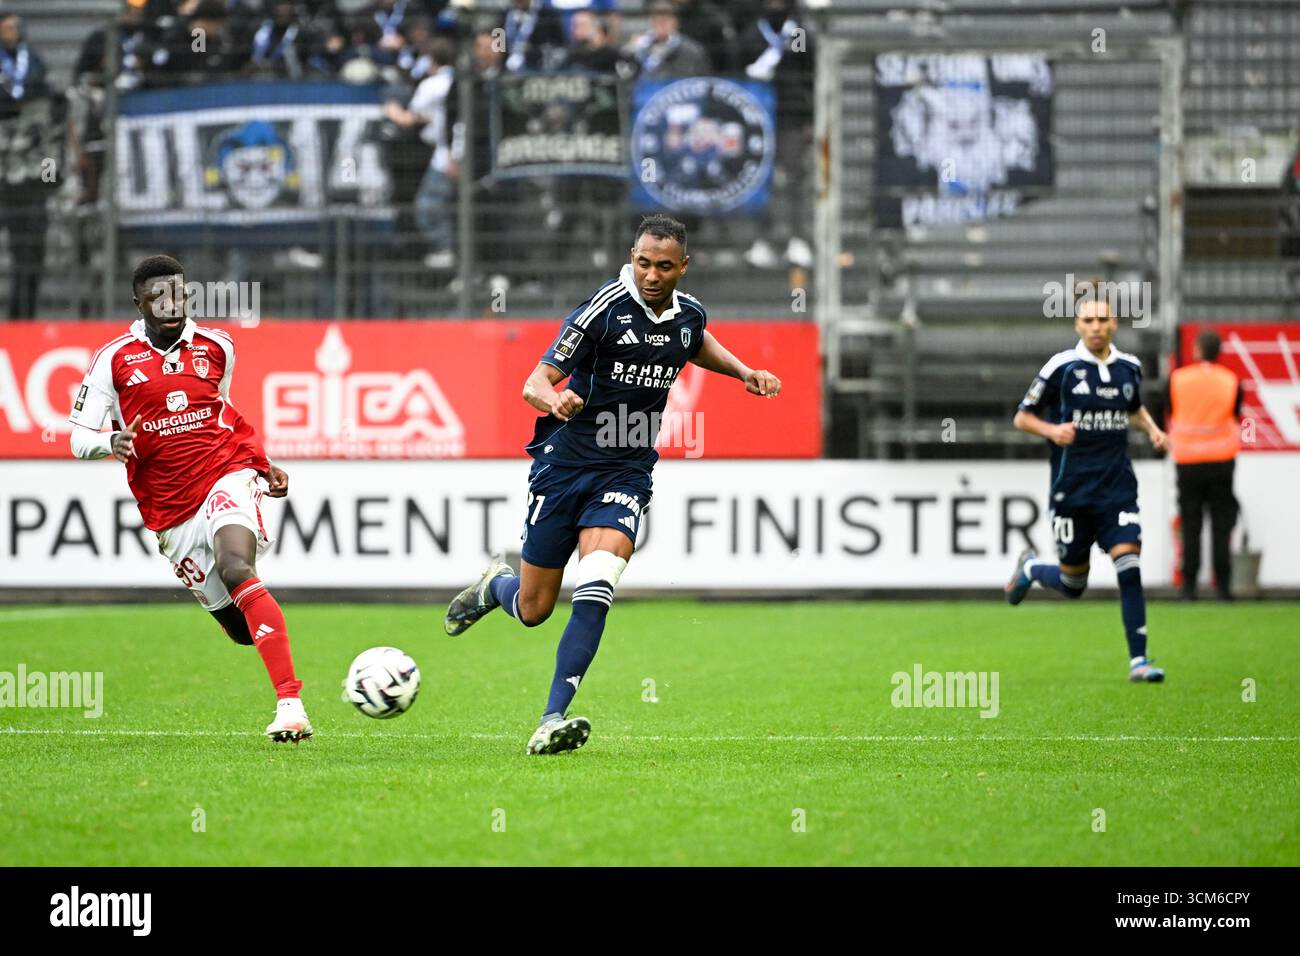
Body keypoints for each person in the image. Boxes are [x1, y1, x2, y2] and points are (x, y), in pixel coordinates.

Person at [443, 214, 783, 754]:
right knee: (534, 609)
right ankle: (495, 587)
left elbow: (695, 343)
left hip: (626, 472)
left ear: (683, 267)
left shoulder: (688, 315)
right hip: (564, 467)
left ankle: (551, 718)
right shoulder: (602, 311)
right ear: (632, 257)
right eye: (642, 262)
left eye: (663, 266)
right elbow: (535, 381)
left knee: (599, 579)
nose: (650, 274)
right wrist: (555, 400)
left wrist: (744, 373)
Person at [68, 255, 312, 742]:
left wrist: (260, 465)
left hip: (225, 475)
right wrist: (109, 443)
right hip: (170, 510)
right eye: (158, 296)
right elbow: (77, 438)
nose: (170, 303)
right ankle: (255, 623)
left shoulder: (217, 346)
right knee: (242, 630)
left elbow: (222, 409)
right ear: (138, 302)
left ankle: (291, 705)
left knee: (237, 566)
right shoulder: (113, 360)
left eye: (178, 293)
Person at [1005, 281, 1169, 683]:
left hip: (1117, 489)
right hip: (1072, 490)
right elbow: (1021, 417)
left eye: (1103, 319)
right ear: (1078, 326)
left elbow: (1133, 406)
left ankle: (1140, 661)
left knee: (1128, 565)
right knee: (1073, 582)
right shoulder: (1060, 368)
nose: (1096, 326)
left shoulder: (1129, 367)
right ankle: (1030, 571)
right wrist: (1051, 431)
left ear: (1115, 323)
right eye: (1087, 320)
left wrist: (1152, 429)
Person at [1166, 329, 1243, 601]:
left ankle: (1189, 587)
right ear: (1219, 352)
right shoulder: (1231, 380)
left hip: (1187, 460)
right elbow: (1237, 415)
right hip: (1221, 459)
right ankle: (1223, 586)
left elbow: (1168, 410)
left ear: (1197, 349)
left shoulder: (1178, 379)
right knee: (1222, 523)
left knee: (1191, 522)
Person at [0, 13, 51, 320]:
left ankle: (24, 314)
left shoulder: (35, 62)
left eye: (11, 29)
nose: (7, 34)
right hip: (5, 175)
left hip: (28, 179)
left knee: (30, 252)